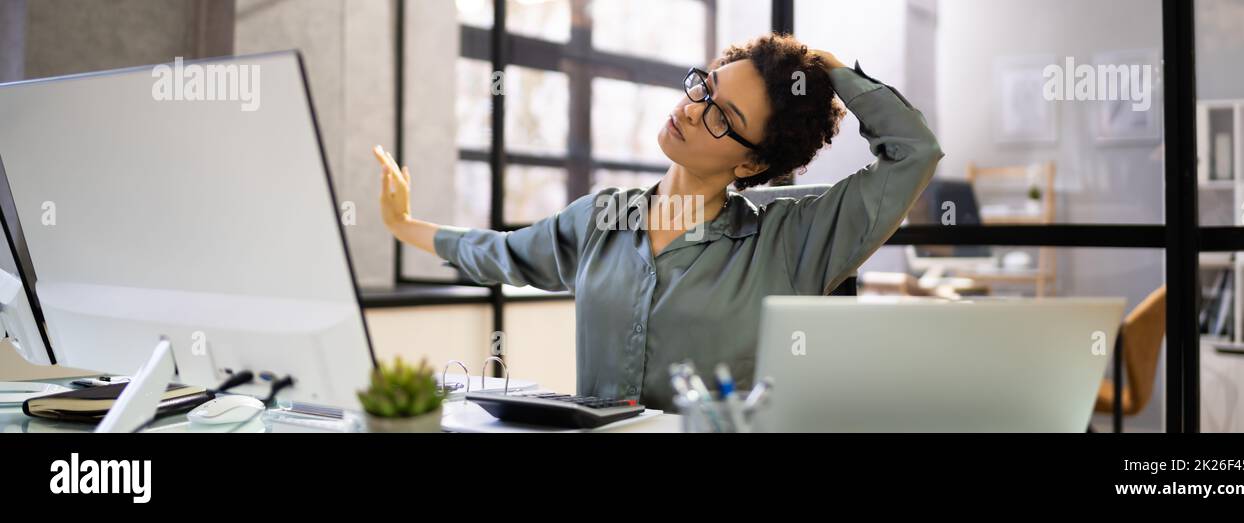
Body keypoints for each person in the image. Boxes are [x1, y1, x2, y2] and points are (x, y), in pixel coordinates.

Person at [374, 34, 943, 410]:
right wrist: (403, 226)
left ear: (751, 163)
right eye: (707, 87)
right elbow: (502, 253)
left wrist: (826, 68)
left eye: (723, 117)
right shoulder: (604, 217)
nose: (693, 109)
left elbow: (913, 151)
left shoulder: (794, 240)